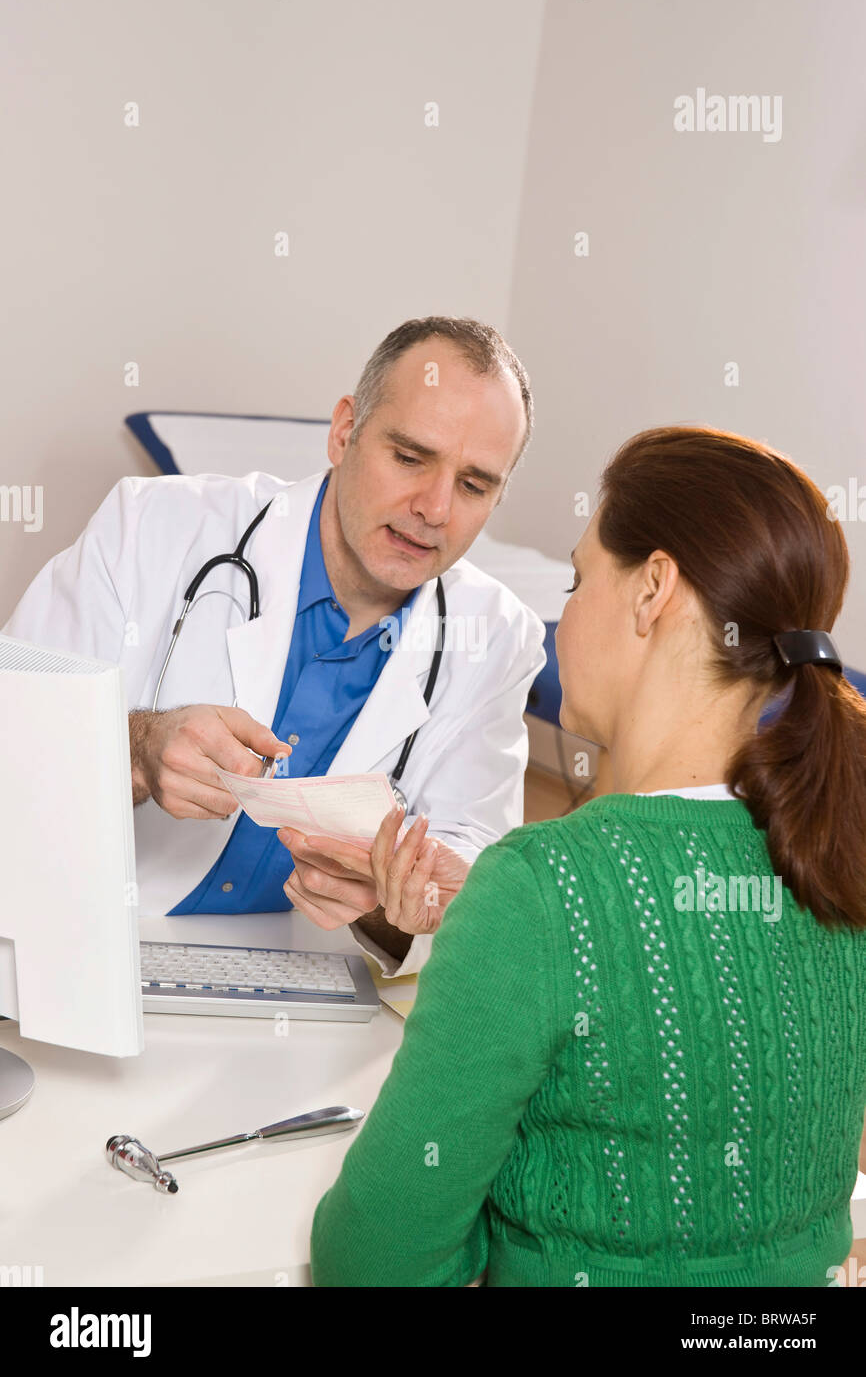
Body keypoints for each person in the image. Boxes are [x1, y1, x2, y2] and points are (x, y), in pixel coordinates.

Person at [310, 424, 866, 1286]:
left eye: (577, 580)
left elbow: (371, 1262)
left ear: (652, 590)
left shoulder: (539, 888)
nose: (564, 616)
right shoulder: (837, 860)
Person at [2, 317, 546, 977]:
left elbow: (469, 875)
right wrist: (136, 747)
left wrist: (394, 905)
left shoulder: (497, 638)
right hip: (76, 951)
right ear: (345, 431)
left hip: (299, 987)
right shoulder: (150, 526)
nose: (434, 508)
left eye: (473, 485)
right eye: (409, 457)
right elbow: (16, 739)